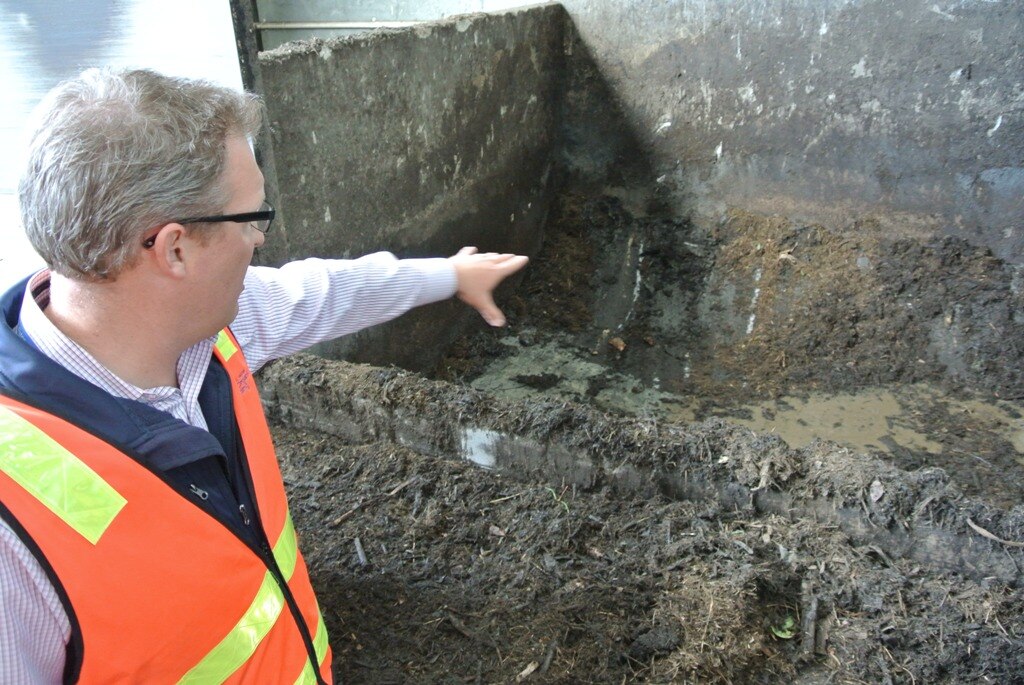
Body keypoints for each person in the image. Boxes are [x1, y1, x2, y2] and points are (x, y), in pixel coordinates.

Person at [0, 68, 527, 684]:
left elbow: (320, 293)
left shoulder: (204, 326)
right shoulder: (14, 533)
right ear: (175, 249)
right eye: (252, 218)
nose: (258, 240)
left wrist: (449, 276)